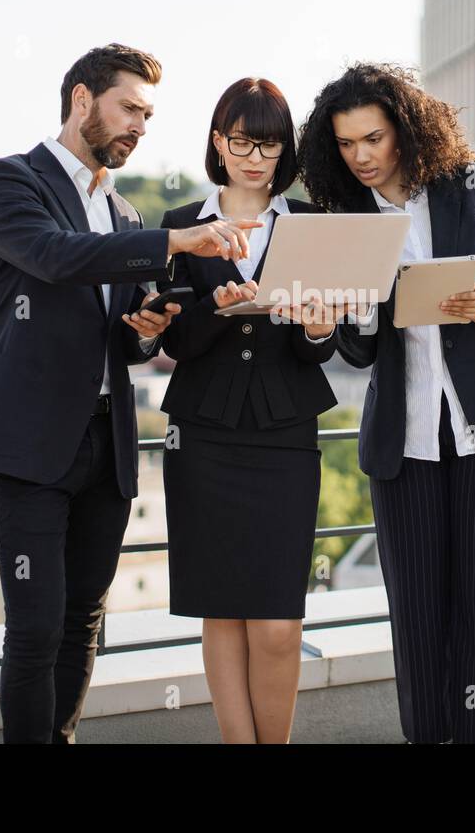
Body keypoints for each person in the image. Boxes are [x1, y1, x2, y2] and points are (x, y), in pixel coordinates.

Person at [0, 44, 262, 743]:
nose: (139, 126)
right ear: (82, 100)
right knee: (34, 629)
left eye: (149, 116)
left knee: (83, 624)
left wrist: (147, 329)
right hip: (29, 444)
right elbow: (56, 258)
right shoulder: (9, 182)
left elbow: (124, 338)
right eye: (130, 108)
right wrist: (180, 240)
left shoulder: (124, 214)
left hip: (107, 443)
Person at [296, 62, 475, 744]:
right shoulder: (343, 219)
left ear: (405, 130)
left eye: (374, 139)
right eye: (347, 143)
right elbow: (357, 351)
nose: (361, 156)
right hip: (404, 445)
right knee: (417, 621)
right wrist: (337, 320)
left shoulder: (469, 185)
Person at [156, 77, 344, 743]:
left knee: (276, 623)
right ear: (218, 142)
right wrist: (217, 307)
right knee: (222, 614)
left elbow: (319, 345)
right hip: (202, 437)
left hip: (284, 435)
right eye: (242, 141)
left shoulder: (313, 225)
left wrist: (320, 328)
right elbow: (172, 339)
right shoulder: (181, 226)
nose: (255, 156)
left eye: (268, 144)